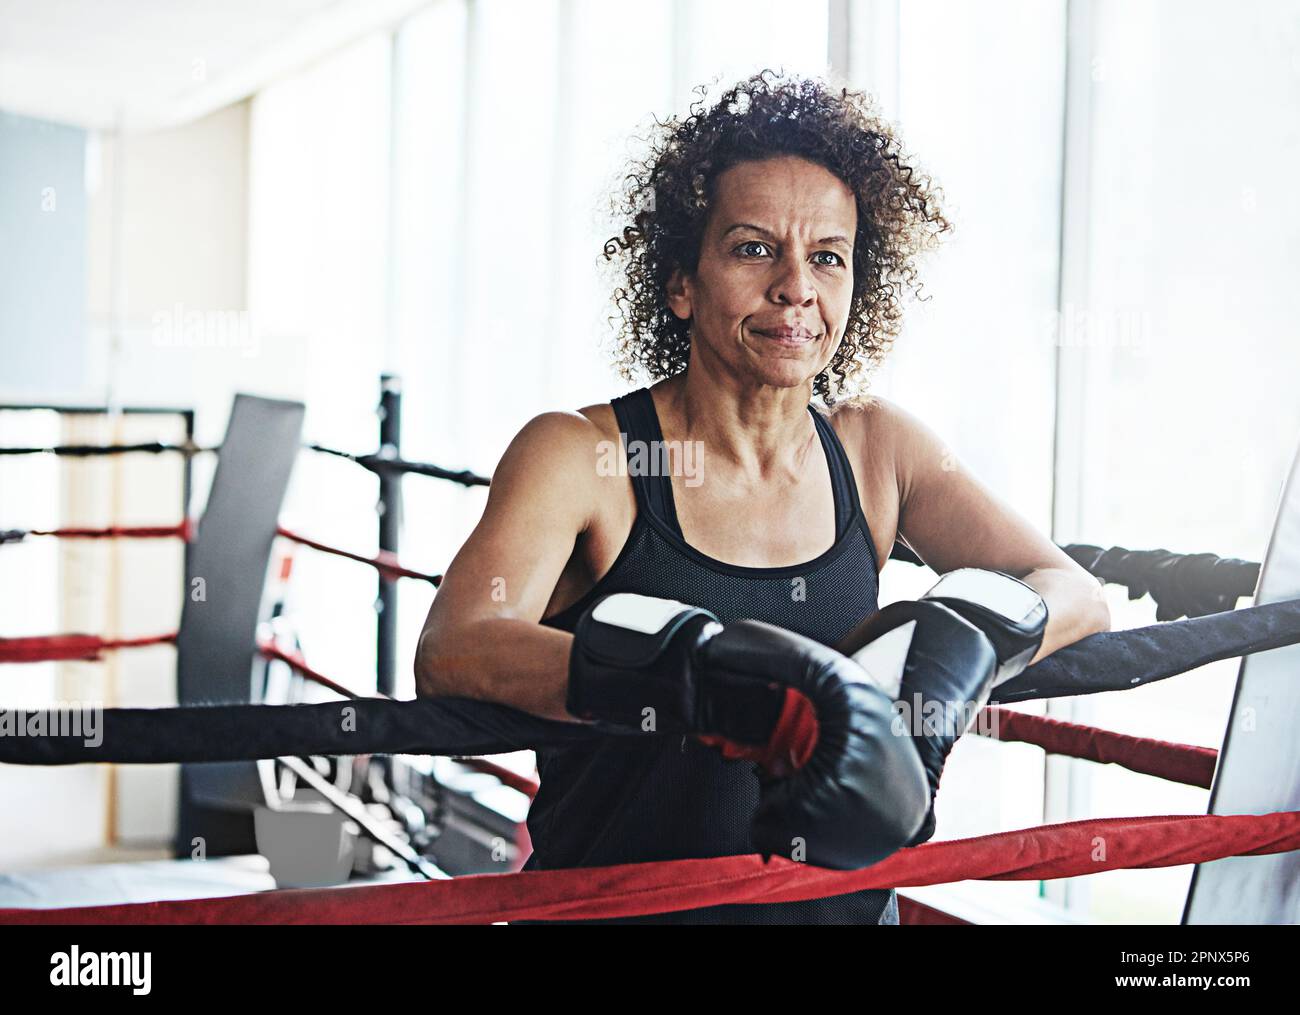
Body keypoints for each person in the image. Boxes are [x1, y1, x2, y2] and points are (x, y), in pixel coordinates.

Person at [415, 71, 1110, 923]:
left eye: (827, 256)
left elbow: (1073, 590)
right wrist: (699, 677)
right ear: (681, 281)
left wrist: (962, 648)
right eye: (753, 249)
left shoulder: (876, 449)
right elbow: (454, 646)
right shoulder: (585, 454)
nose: (796, 287)